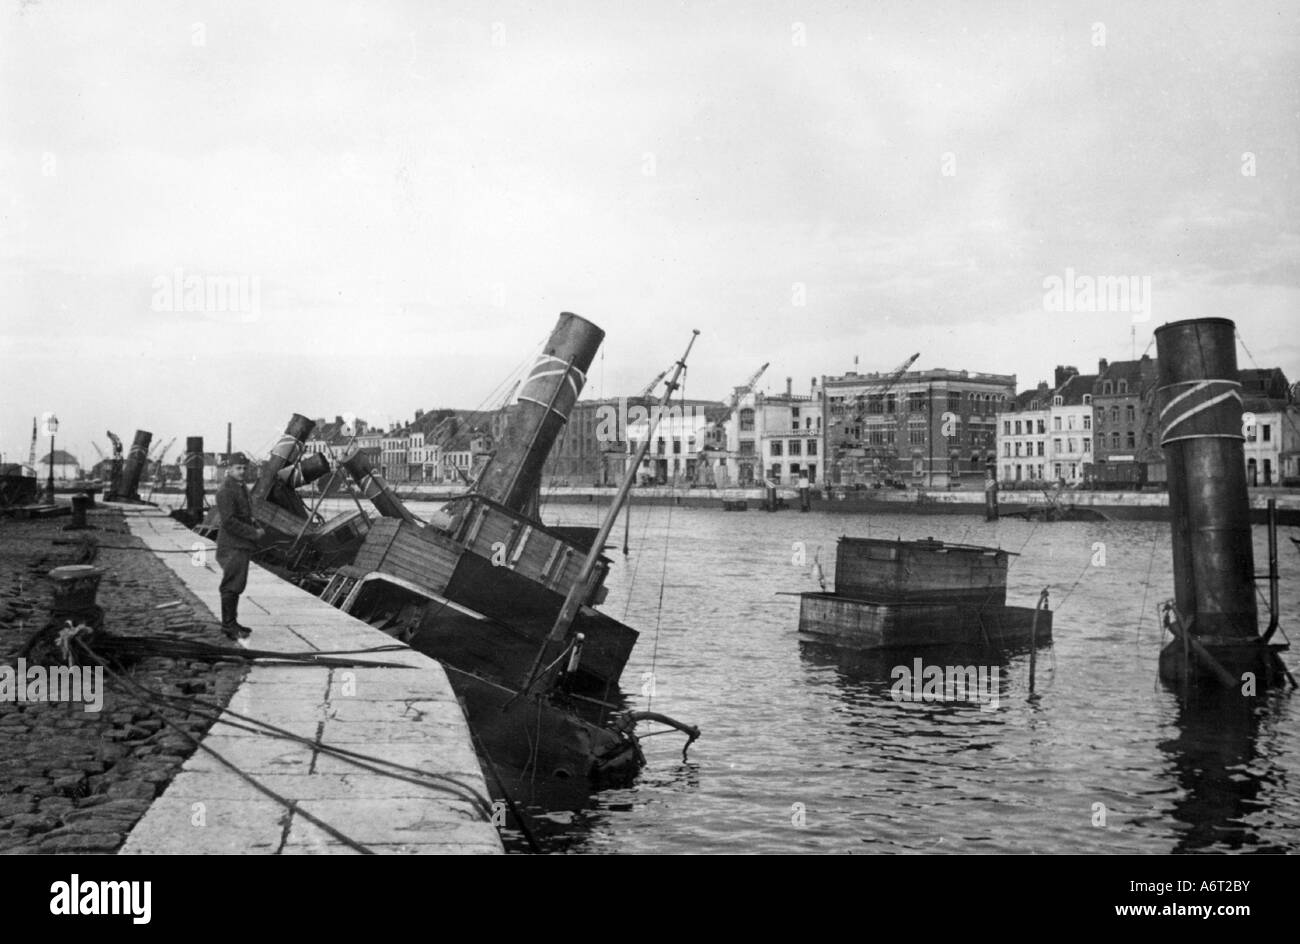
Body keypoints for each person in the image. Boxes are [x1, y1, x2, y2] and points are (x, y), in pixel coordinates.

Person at [215, 453, 265, 640]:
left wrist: (254, 524)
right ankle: (228, 625)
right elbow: (229, 521)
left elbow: (244, 514)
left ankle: (232, 622)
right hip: (232, 545)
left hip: (240, 544)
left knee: (237, 583)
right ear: (229, 469)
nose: (242, 471)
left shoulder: (240, 487)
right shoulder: (226, 490)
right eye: (238, 468)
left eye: (244, 468)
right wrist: (253, 533)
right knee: (231, 584)